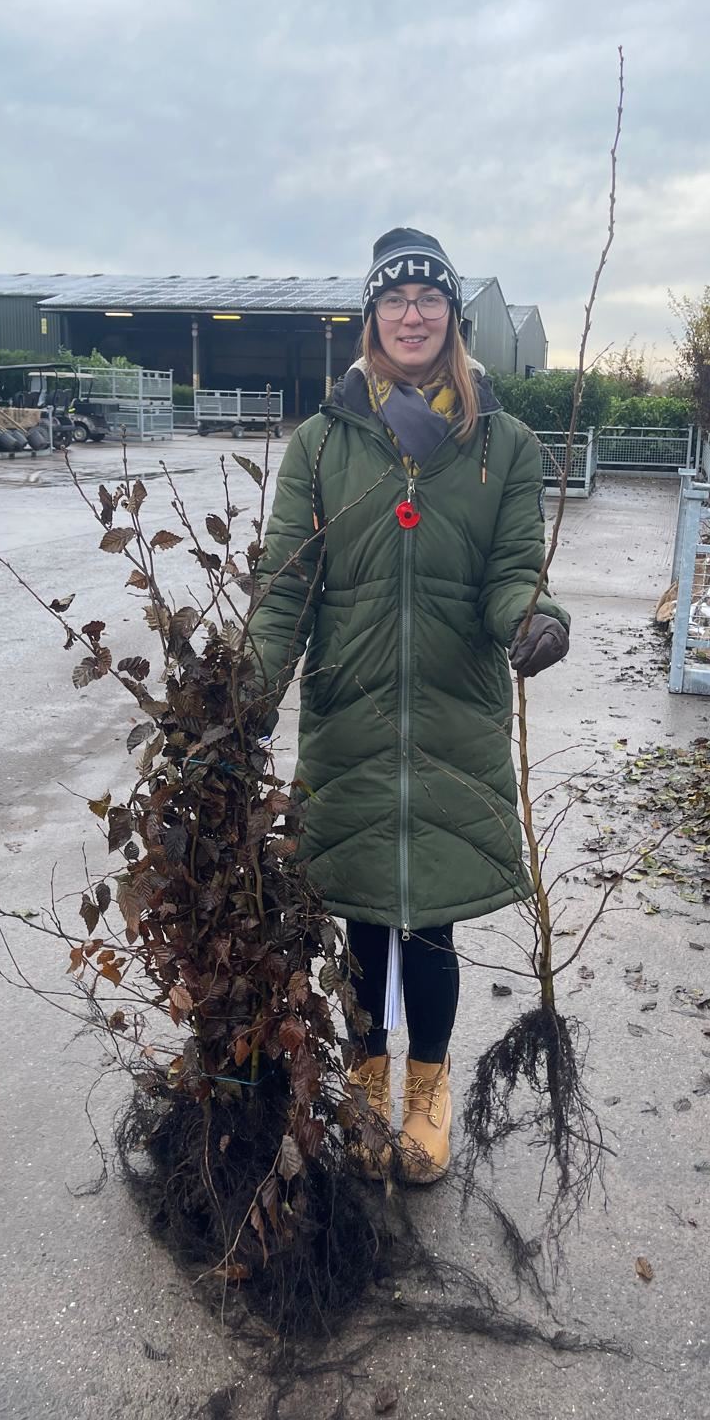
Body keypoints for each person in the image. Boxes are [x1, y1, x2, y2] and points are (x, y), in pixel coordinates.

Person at [250, 227, 570, 1183]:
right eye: (395, 299)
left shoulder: (504, 445)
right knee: (361, 918)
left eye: (430, 298)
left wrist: (534, 619)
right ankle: (365, 1085)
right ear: (372, 317)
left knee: (429, 922)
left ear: (454, 317)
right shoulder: (321, 443)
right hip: (350, 714)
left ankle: (427, 1096)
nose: (413, 314)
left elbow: (511, 572)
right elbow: (286, 586)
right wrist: (247, 691)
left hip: (451, 717)